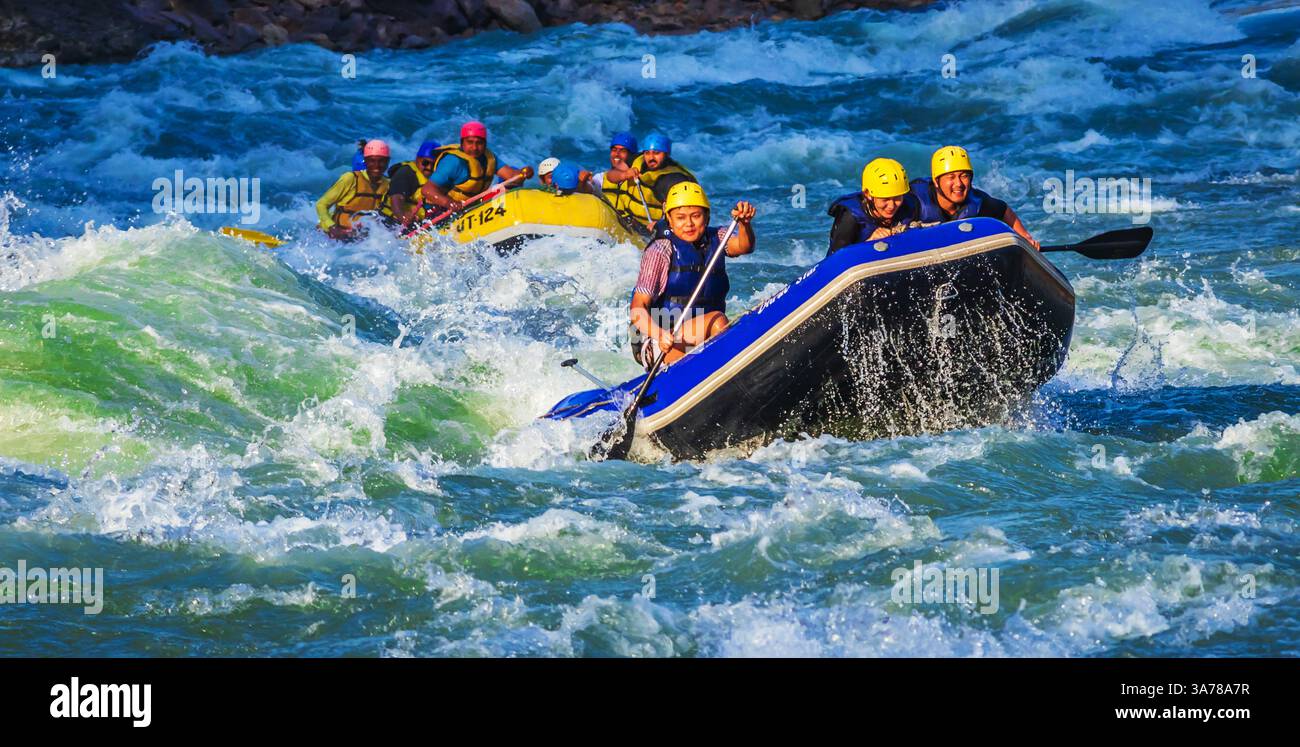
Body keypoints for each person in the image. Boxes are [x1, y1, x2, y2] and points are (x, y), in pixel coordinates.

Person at [629, 182, 756, 368]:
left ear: (707, 217)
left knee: (718, 321)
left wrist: (745, 224)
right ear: (669, 220)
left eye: (696, 216)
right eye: (680, 218)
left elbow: (744, 247)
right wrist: (659, 334)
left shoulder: (718, 237)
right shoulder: (660, 251)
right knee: (718, 321)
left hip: (697, 333)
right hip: (660, 339)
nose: (688, 224)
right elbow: (637, 310)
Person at [910, 146, 1039, 248]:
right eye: (951, 177)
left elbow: (1004, 210)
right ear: (936, 181)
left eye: (964, 176)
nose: (958, 184)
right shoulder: (915, 199)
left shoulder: (977, 201)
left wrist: (1025, 237)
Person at [422, 121, 533, 213]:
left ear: (485, 143)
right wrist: (449, 203)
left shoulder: (489, 158)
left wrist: (524, 173)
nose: (474, 147)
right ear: (462, 143)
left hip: (470, 207)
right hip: (441, 209)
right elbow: (427, 190)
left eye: (479, 143)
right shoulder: (453, 161)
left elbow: (512, 177)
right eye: (470, 142)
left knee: (510, 188)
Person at [826, 157, 920, 255]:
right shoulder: (851, 217)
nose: (892, 206)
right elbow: (838, 257)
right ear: (868, 194)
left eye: (897, 198)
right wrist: (869, 242)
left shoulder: (909, 205)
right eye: (885, 199)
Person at [610, 132, 697, 230]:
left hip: (651, 229)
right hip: (629, 220)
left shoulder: (673, 179)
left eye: (656, 153)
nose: (651, 158)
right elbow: (611, 176)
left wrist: (662, 224)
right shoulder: (638, 160)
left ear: (667, 154)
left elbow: (685, 211)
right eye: (647, 153)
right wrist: (624, 175)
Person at [315, 139, 391, 240]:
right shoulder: (350, 179)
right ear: (366, 160)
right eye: (372, 161)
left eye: (381, 161)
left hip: (363, 240)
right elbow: (321, 204)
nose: (376, 166)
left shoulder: (388, 184)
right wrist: (332, 228)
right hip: (334, 236)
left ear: (388, 162)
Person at [384, 139, 441, 228]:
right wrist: (403, 216)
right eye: (425, 163)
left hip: (418, 224)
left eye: (433, 164)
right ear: (417, 159)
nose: (429, 167)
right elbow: (396, 198)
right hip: (391, 223)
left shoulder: (438, 176)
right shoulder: (406, 173)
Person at [580, 132, 639, 204]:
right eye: (614, 150)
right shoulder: (601, 178)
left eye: (623, 151)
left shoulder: (637, 180)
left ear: (632, 156)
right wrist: (582, 182)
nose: (617, 154)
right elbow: (588, 189)